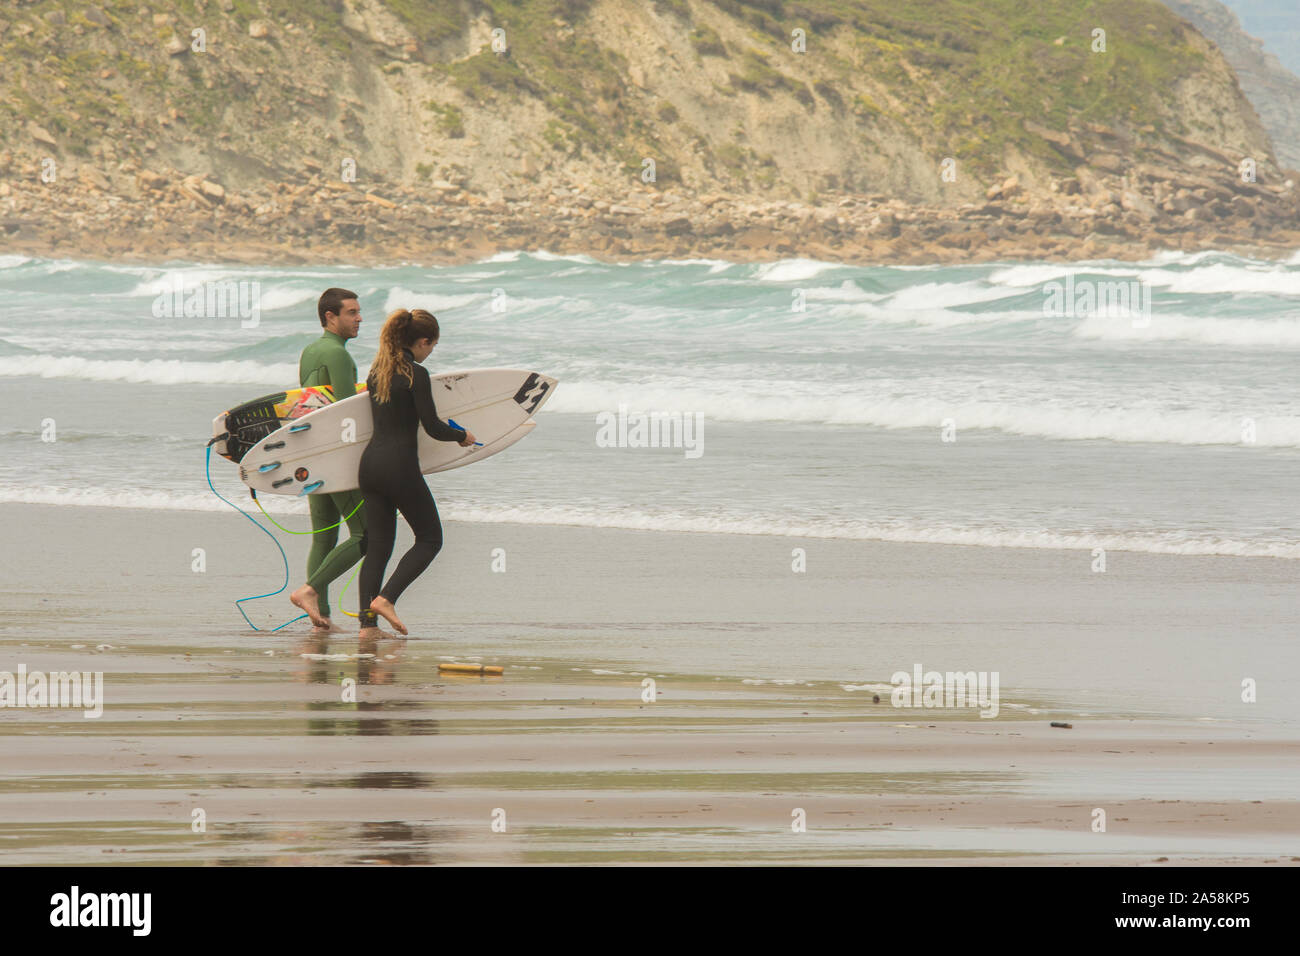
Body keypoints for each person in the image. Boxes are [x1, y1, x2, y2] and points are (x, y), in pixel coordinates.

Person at [357, 308, 476, 637]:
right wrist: (462, 435)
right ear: (423, 341)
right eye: (431, 346)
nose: (430, 352)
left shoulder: (376, 372)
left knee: (379, 546)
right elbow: (434, 428)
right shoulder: (416, 374)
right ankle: (387, 599)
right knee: (430, 539)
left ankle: (367, 627)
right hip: (399, 468)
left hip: (369, 467)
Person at [289, 288, 368, 632]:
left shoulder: (310, 352)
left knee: (323, 536)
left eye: (358, 311)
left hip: (311, 450)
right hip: (334, 455)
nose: (359, 318)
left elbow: (309, 404)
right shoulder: (337, 355)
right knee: (367, 534)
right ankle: (309, 593)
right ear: (330, 317)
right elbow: (346, 414)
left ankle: (320, 617)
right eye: (351, 312)